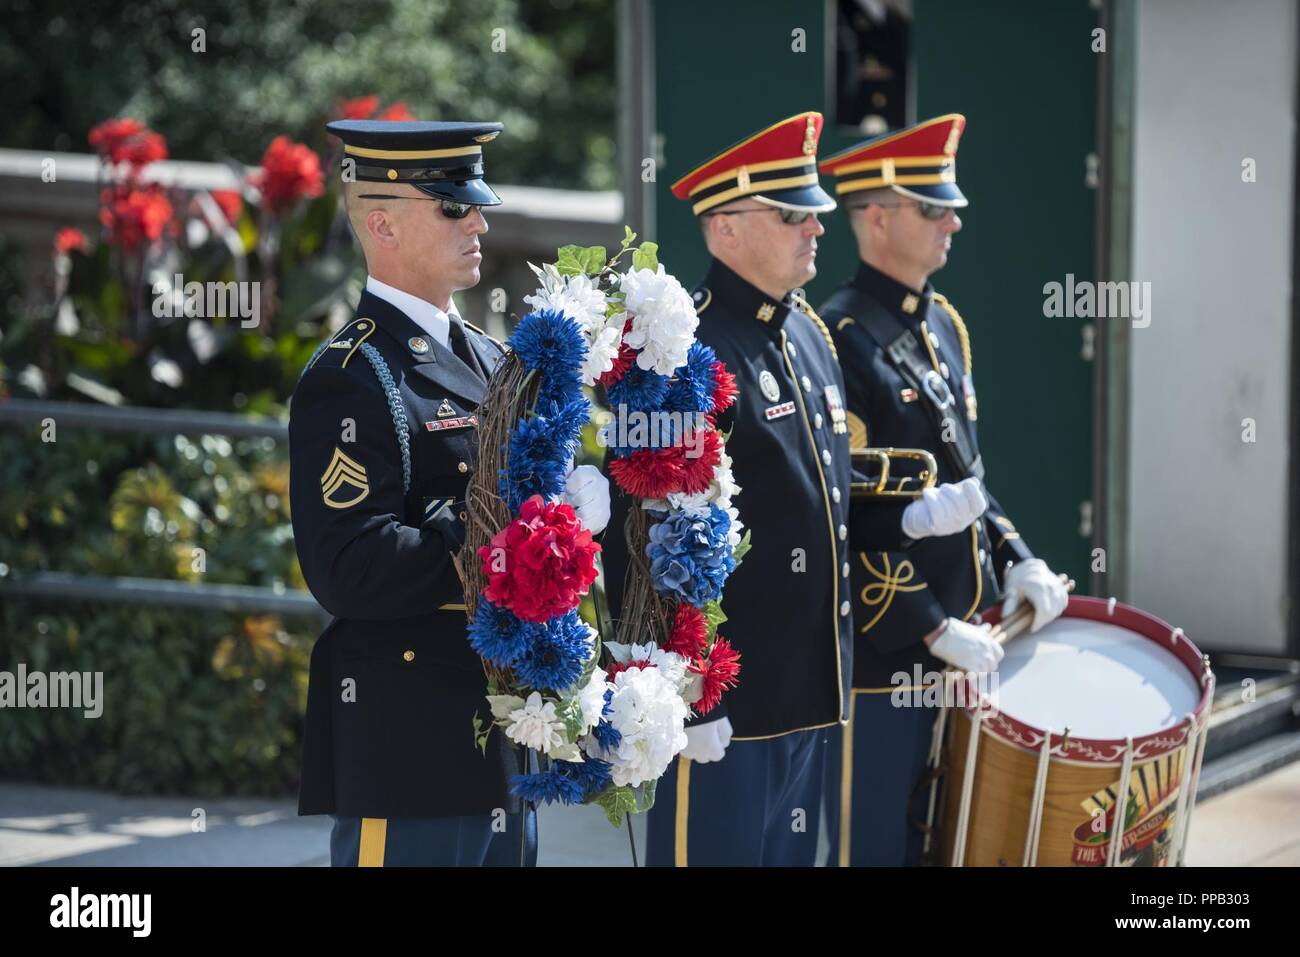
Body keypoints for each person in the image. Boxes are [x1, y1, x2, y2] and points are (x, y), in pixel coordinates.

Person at [602, 112, 987, 866]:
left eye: (813, 210)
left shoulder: (806, 332)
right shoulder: (681, 352)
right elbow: (639, 535)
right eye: (791, 213)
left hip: (812, 696)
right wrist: (684, 691)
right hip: (727, 712)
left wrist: (906, 516)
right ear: (725, 229)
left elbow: (823, 502)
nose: (815, 226)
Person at [290, 119, 610, 866]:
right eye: (452, 207)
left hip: (503, 746)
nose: (478, 221)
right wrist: (503, 543)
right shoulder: (354, 373)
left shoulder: (495, 358)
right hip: (410, 749)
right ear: (381, 223)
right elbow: (348, 564)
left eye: (475, 204)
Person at [817, 114, 1069, 866]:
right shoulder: (839, 336)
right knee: (876, 845)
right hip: (887, 650)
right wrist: (926, 624)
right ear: (876, 217)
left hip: (970, 632)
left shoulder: (944, 325)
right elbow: (844, 515)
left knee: (950, 838)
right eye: (933, 208)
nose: (953, 220)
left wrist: (1016, 553)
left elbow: (968, 474)